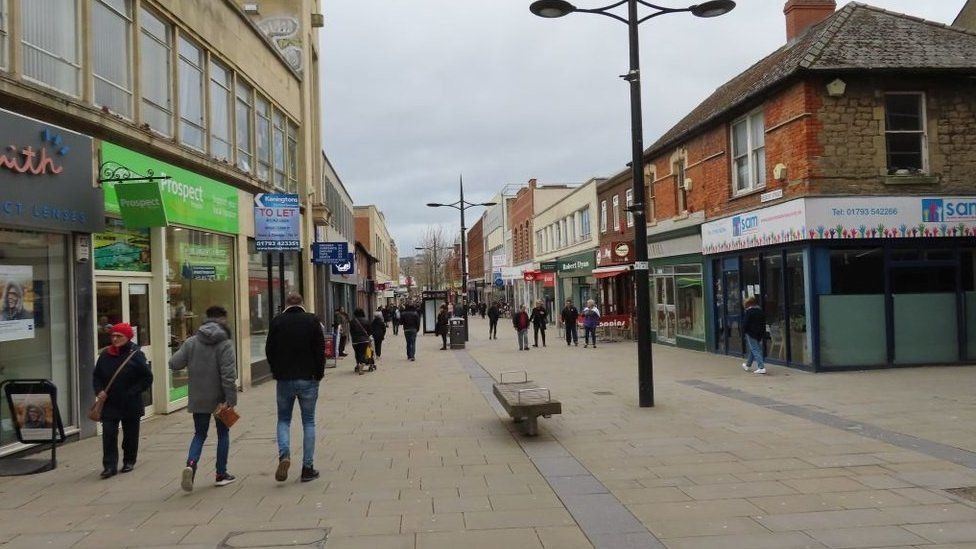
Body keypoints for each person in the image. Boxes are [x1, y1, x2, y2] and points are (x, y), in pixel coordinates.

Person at [169, 306, 238, 491]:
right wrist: (231, 399)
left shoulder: (192, 341)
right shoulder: (225, 344)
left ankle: (191, 464)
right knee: (223, 434)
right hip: (219, 399)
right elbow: (228, 375)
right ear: (223, 320)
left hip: (198, 397)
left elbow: (174, 363)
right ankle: (221, 473)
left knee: (199, 434)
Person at [266, 293, 325, 483]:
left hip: (284, 379)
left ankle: (284, 455)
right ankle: (307, 468)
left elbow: (269, 350)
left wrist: (276, 371)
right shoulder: (312, 320)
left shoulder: (277, 322)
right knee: (308, 422)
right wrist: (319, 373)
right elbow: (319, 349)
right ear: (302, 304)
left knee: (283, 420)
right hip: (308, 378)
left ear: (285, 305)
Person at [92, 323, 153, 479]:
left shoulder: (136, 355)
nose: (115, 339)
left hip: (130, 402)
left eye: (119, 336)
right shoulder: (105, 355)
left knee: (130, 434)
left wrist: (132, 392)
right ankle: (109, 466)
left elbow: (147, 378)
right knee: (109, 434)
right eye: (113, 335)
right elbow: (96, 376)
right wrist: (99, 391)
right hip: (110, 403)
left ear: (128, 337)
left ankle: (129, 460)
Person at [742, 296, 768, 374]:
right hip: (759, 333)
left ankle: (761, 367)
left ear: (748, 304)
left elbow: (745, 323)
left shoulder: (749, 312)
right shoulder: (760, 311)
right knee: (753, 349)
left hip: (751, 333)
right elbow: (763, 323)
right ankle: (747, 365)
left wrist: (744, 331)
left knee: (755, 349)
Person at [349, 308, 373, 373]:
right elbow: (370, 331)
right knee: (363, 353)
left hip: (355, 341)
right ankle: (361, 367)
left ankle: (358, 364)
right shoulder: (366, 321)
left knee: (357, 353)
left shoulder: (352, 321)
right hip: (364, 340)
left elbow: (351, 331)